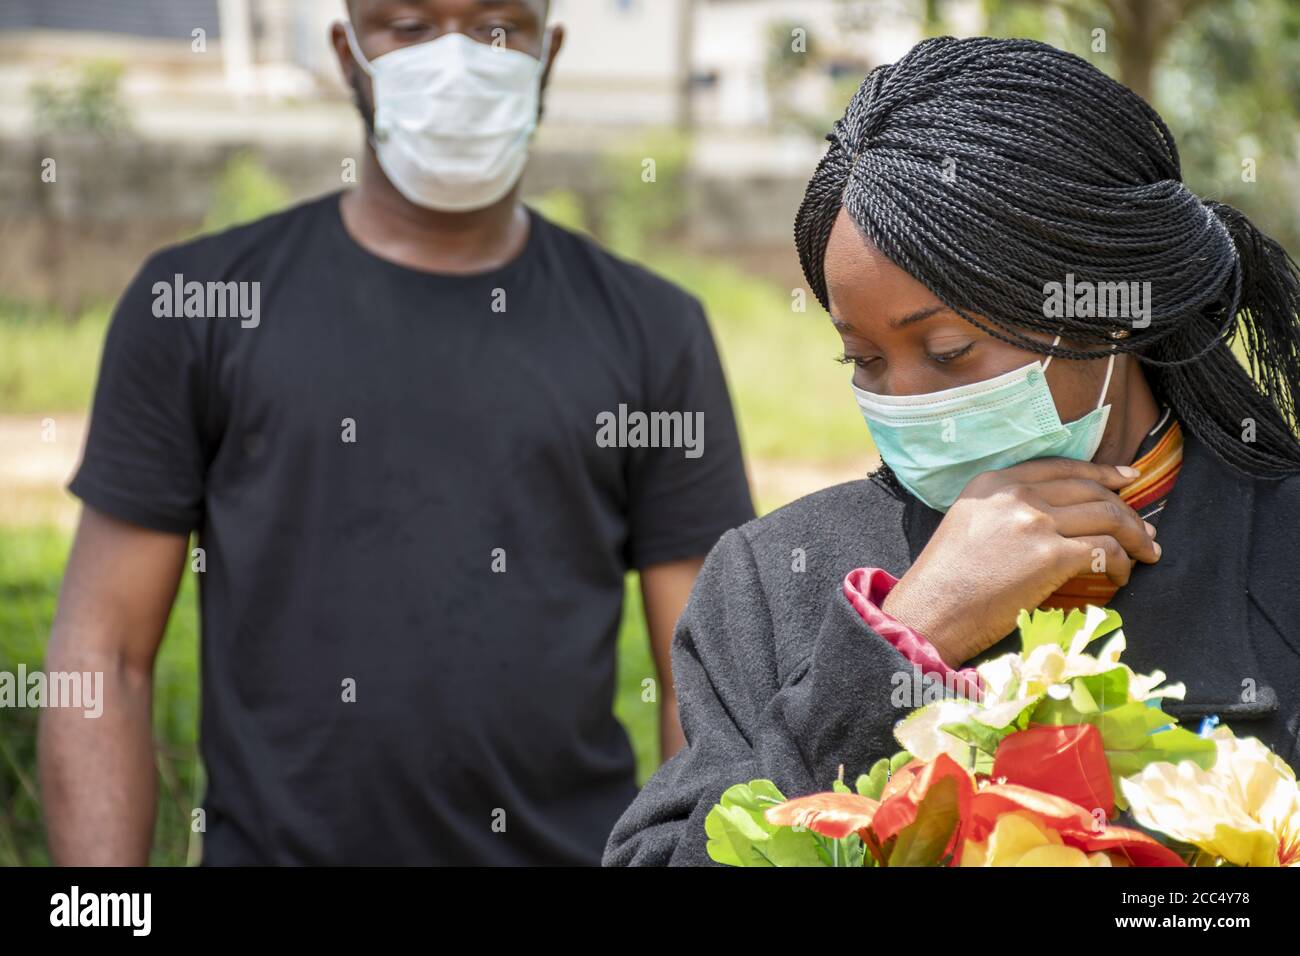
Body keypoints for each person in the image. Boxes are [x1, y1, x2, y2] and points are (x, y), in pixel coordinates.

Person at [38, 0, 753, 866]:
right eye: (407, 26)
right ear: (347, 53)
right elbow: (102, 658)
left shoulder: (653, 331)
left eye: (497, 27)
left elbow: (709, 685)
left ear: (547, 53)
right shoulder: (197, 306)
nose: (454, 61)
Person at [603, 36, 1300, 866]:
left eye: (946, 352)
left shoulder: (1279, 552)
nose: (905, 402)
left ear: (1108, 305)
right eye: (862, 359)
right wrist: (902, 640)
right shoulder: (767, 580)